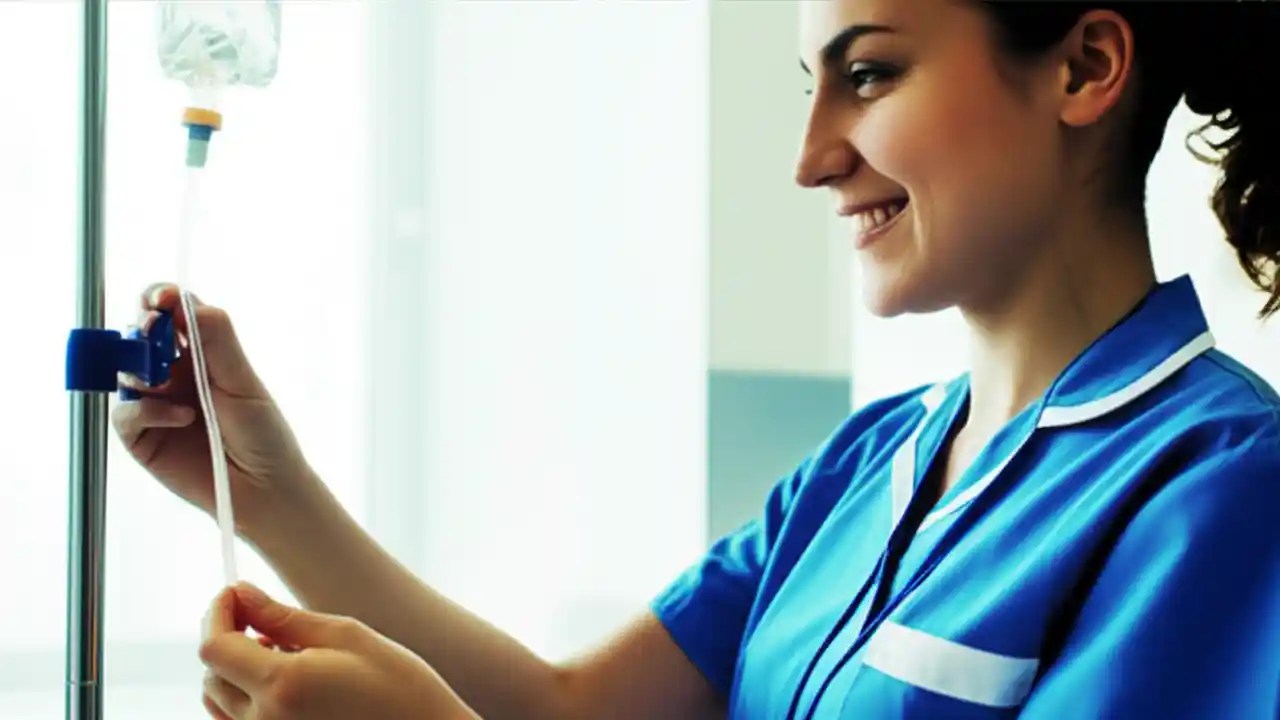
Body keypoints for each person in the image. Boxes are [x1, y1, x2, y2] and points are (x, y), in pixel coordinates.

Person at [114, 1, 1280, 718]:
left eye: (867, 74)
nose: (810, 156)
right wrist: (268, 495)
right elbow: (568, 712)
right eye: (809, 85)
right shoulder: (871, 462)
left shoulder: (1221, 490)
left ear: (1082, 67)